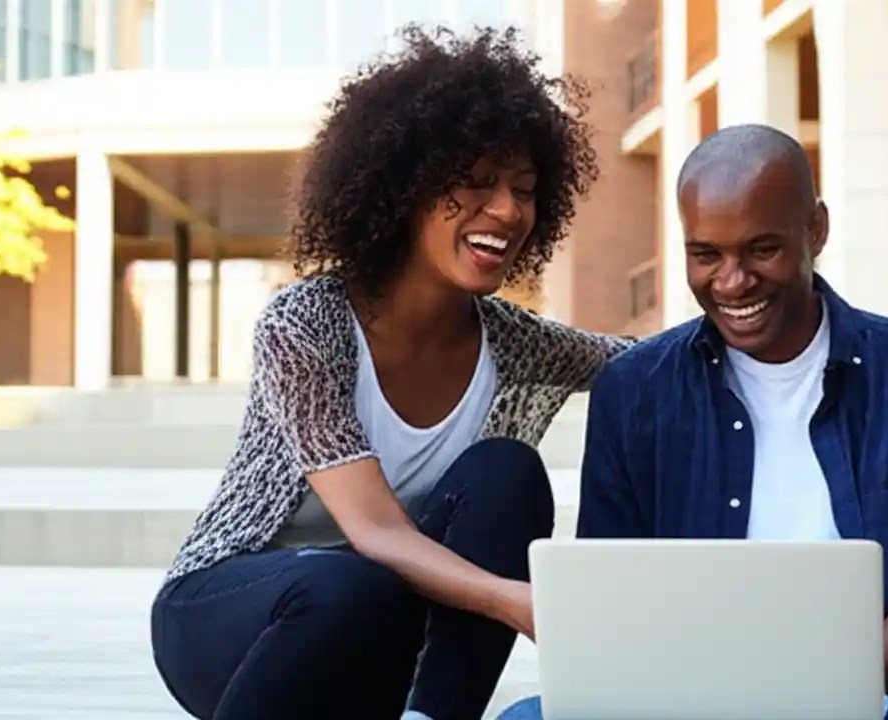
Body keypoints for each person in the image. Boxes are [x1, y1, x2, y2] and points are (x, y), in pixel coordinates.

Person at [147, 25, 632, 720]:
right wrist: (522, 604)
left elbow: (644, 362)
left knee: (507, 473)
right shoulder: (305, 325)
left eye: (524, 189)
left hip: (377, 627)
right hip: (226, 620)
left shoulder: (517, 347)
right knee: (351, 581)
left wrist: (751, 308)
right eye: (475, 183)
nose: (506, 210)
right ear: (403, 187)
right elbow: (374, 532)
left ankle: (431, 714)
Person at [499, 124, 888, 720]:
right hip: (673, 703)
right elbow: (613, 591)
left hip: (861, 698)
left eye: (762, 249)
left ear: (815, 230)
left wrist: (809, 685)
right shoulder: (634, 390)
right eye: (706, 254)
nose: (733, 282)